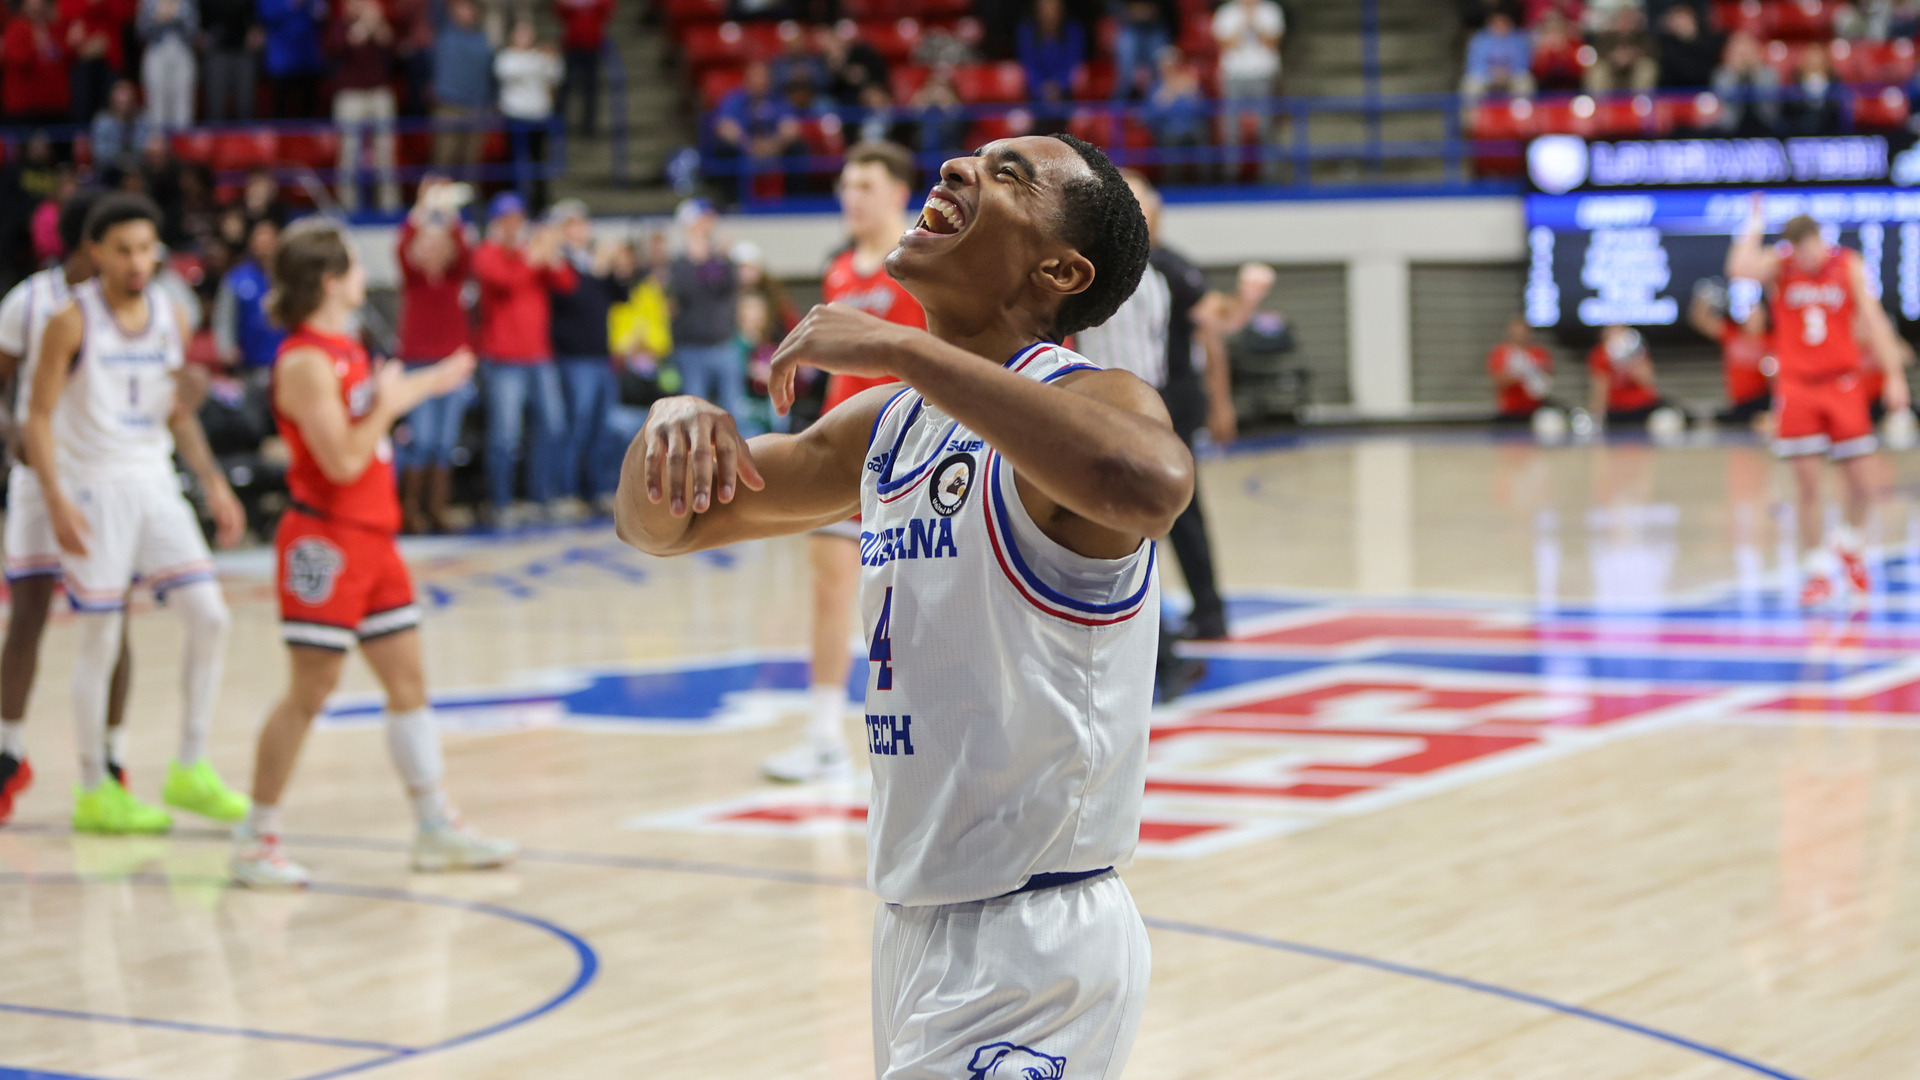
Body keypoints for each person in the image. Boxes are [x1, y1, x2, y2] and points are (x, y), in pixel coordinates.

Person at [615, 132, 1176, 1080]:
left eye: (1010, 175)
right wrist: (664, 433)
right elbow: (657, 527)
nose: (959, 168)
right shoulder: (888, 426)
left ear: (1060, 268)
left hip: (1038, 940)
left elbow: (1147, 482)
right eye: (972, 157)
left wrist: (897, 345)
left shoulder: (1095, 398)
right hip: (913, 929)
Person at [230, 218, 514, 887]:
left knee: (409, 685)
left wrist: (435, 380)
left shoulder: (344, 344)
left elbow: (374, 410)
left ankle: (434, 826)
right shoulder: (303, 361)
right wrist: (389, 405)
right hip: (325, 541)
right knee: (310, 691)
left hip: (372, 535)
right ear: (331, 280)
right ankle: (254, 837)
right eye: (355, 266)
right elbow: (345, 452)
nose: (365, 275)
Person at [22, 193, 248, 834]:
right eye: (123, 250)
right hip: (92, 487)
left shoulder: (173, 316)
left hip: (154, 483)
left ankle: (191, 767)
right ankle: (94, 787)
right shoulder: (70, 320)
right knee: (101, 636)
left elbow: (177, 409)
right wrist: (56, 498)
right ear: (95, 253)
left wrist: (212, 484)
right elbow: (35, 417)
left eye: (146, 249)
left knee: (210, 618)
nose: (136, 262)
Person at [758, 141, 925, 784]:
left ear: (897, 192)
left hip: (914, 450)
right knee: (829, 590)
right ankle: (824, 732)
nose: (850, 197)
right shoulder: (837, 271)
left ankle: (927, 728)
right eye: (845, 185)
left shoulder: (920, 261)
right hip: (846, 451)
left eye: (864, 185)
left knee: (917, 599)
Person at [1073, 170, 1270, 649]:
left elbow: (1214, 326)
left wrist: (1246, 301)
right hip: (1098, 406)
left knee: (1169, 511)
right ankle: (1148, 629)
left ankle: (1191, 620)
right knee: (1118, 517)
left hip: (1156, 403)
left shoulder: (1168, 270)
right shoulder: (1082, 263)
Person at [0, 191, 138, 824]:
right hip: (43, 475)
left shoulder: (142, 307)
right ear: (93, 246)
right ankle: (8, 753)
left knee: (116, 621)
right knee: (27, 613)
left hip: (108, 480)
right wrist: (13, 436)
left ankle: (111, 759)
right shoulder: (29, 302)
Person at [1728, 205, 1909, 606]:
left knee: (1864, 482)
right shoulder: (1781, 265)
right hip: (1797, 385)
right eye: (1802, 251)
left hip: (1842, 382)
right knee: (1808, 484)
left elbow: (1874, 318)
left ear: (1821, 240)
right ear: (1793, 247)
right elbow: (1740, 269)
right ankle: (1816, 570)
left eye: (1814, 248)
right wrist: (1753, 227)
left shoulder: (1847, 264)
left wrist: (1894, 374)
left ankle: (1850, 542)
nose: (1810, 257)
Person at [474, 192, 577, 523]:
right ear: (495, 224)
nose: (514, 226)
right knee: (505, 435)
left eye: (517, 219)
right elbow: (506, 281)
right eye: (507, 220)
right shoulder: (487, 254)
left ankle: (541, 497)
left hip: (539, 357)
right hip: (503, 360)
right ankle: (501, 503)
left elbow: (566, 284)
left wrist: (554, 255)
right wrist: (537, 251)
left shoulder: (528, 254)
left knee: (552, 427)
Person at [396, 177, 475, 534]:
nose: (430, 249)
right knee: (422, 440)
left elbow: (465, 250)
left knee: (444, 443)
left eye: (437, 244)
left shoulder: (456, 276)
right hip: (418, 364)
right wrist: (420, 210)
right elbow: (402, 247)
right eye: (424, 244)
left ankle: (436, 509)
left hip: (451, 367)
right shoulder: (413, 277)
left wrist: (449, 213)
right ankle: (410, 510)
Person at [547, 199, 628, 512]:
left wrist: (615, 269)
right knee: (574, 428)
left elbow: (621, 296)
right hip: (573, 357)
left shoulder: (590, 261)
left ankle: (601, 489)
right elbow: (573, 298)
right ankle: (566, 492)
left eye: (581, 223)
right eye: (570, 224)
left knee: (603, 428)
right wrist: (598, 268)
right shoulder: (559, 263)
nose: (578, 230)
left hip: (599, 355)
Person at [666, 199, 749, 431]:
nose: (707, 227)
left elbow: (729, 285)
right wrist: (702, 260)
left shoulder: (721, 260)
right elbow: (685, 291)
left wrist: (715, 258)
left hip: (724, 344)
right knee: (694, 417)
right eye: (701, 222)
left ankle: (742, 465)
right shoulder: (678, 264)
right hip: (691, 348)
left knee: (735, 413)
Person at [328, 0, 403, 214]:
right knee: (348, 153)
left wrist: (378, 25)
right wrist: (363, 26)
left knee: (386, 152)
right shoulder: (339, 24)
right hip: (350, 94)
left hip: (379, 91)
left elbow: (392, 47)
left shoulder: (378, 22)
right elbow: (338, 48)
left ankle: (390, 206)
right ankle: (347, 206)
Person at [495, 19, 563, 210]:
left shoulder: (541, 56)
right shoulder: (507, 57)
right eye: (520, 34)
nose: (524, 38)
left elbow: (556, 74)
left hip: (538, 117)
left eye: (527, 34)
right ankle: (513, 202)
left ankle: (539, 203)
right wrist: (536, 64)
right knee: (514, 161)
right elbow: (508, 72)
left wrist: (552, 58)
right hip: (515, 116)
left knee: (538, 161)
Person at [1685, 279, 1773, 426]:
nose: (1753, 316)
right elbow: (1700, 320)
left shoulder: (1773, 340)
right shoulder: (1732, 334)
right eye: (1750, 311)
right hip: (1739, 402)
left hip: (1763, 399)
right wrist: (1704, 297)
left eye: (1757, 311)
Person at [1213, 0, 1284, 180]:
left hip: (1263, 74)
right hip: (1234, 75)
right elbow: (1226, 44)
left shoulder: (1270, 11)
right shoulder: (1227, 12)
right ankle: (1232, 175)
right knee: (1232, 128)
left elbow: (1271, 42)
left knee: (1266, 126)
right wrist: (1244, 23)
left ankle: (1270, 175)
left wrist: (1255, 23)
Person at [212, 215, 286, 378]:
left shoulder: (288, 277)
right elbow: (224, 316)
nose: (264, 245)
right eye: (259, 239)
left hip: (284, 359)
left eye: (268, 239)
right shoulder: (236, 278)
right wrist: (226, 347)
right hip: (248, 364)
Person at [431, 0, 495, 180]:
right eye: (460, 7)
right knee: (444, 158)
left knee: (471, 162)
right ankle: (439, 201)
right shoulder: (444, 32)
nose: (465, 12)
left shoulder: (482, 38)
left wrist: (489, 102)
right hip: (449, 105)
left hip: (476, 107)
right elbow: (435, 8)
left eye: (468, 8)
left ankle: (469, 201)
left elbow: (489, 74)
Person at [3, 0, 74, 128]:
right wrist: (34, 44)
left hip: (55, 106)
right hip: (25, 108)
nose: (36, 10)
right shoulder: (16, 29)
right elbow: (18, 61)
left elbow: (65, 59)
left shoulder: (55, 29)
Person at [59, 0, 131, 125]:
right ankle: (82, 138)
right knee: (81, 108)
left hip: (110, 61)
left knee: (112, 111)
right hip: (80, 60)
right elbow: (65, 12)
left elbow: (123, 12)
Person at [1586, 324, 1669, 427]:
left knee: (1664, 422)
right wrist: (1596, 415)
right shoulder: (1600, 354)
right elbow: (1600, 387)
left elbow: (1649, 383)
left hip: (1643, 407)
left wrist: (1631, 363)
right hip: (1616, 410)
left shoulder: (1637, 351)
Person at [257, 0, 329, 118]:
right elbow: (265, 14)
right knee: (280, 109)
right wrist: (292, 3)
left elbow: (321, 15)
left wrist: (318, 9)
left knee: (309, 110)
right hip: (282, 60)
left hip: (308, 59)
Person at [1017, 0, 1085, 121]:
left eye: (1054, 8)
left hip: (1066, 96)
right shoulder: (1027, 32)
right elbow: (1028, 66)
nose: (1049, 13)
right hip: (1035, 97)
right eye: (1045, 7)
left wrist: (1058, 87)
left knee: (1081, 118)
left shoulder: (1073, 31)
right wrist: (1044, 89)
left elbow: (1073, 66)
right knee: (1021, 121)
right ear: (1037, 9)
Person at [553, 0, 612, 137]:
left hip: (592, 47)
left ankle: (589, 128)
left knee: (591, 90)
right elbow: (558, 11)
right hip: (571, 47)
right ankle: (558, 123)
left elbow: (607, 10)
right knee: (564, 87)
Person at [137, 0, 197, 130]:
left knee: (183, 97)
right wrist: (158, 20)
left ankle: (183, 138)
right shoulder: (148, 3)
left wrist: (175, 17)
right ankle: (158, 140)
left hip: (181, 50)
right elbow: (141, 30)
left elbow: (193, 29)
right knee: (156, 98)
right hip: (156, 50)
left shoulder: (186, 2)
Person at [1712, 30, 1782, 136]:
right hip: (1732, 127)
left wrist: (1754, 71)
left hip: (1764, 124)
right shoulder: (1722, 74)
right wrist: (1735, 73)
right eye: (1739, 53)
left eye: (1747, 52)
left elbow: (1769, 106)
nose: (1744, 57)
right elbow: (1724, 100)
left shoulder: (1768, 73)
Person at [200, 0, 260, 121]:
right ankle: (214, 138)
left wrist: (255, 28)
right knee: (216, 105)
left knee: (245, 104)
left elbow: (254, 14)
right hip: (216, 49)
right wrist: (200, 32)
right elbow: (200, 15)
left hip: (243, 49)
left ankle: (246, 138)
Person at [1487, 315, 1555, 421]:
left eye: (1523, 332)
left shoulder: (1539, 352)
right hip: (1510, 410)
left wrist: (1534, 376)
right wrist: (1518, 374)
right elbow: (1497, 380)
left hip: (1535, 408)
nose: (1521, 336)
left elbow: (1547, 377)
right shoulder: (1501, 353)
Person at [1462, 8, 1536, 103]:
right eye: (1496, 22)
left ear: (1510, 22)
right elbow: (1474, 64)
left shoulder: (1520, 39)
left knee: (1524, 82)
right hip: (1486, 76)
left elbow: (1523, 64)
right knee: (1471, 84)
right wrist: (1492, 73)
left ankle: (1521, 117)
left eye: (1503, 22)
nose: (1500, 25)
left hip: (1511, 75)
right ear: (1489, 23)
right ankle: (1471, 117)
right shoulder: (1479, 39)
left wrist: (1507, 72)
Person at [90, 78, 151, 173]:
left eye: (126, 95)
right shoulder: (102, 121)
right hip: (110, 171)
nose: (123, 100)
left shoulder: (142, 119)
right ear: (112, 98)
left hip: (137, 170)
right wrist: (121, 159)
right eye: (120, 96)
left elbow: (145, 148)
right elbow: (99, 152)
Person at [1654, 2, 1720, 89]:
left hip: (1706, 91)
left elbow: (1707, 71)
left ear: (1693, 18)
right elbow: (1680, 72)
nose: (1681, 23)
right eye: (1677, 19)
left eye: (1684, 18)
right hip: (1673, 93)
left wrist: (1691, 38)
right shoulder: (1664, 45)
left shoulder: (1711, 40)